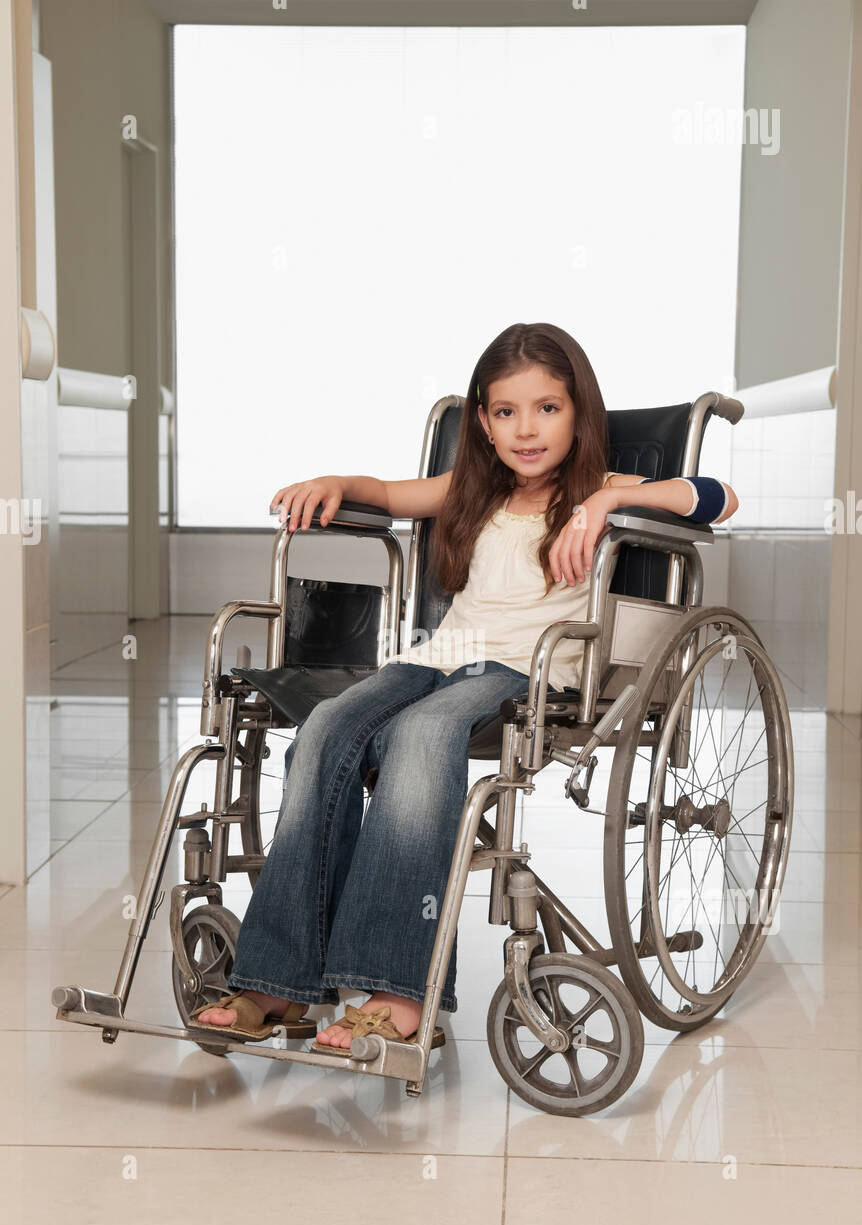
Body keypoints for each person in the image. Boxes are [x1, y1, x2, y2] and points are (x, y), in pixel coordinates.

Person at [192, 321, 738, 1053]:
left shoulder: (603, 489)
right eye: (506, 412)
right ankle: (279, 983)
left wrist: (603, 506)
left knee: (419, 735)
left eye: (547, 408)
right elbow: (386, 492)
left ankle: (396, 990)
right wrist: (337, 482)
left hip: (532, 668)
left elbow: (719, 497)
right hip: (444, 654)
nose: (526, 429)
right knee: (325, 729)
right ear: (482, 421)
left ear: (579, 415)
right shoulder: (473, 491)